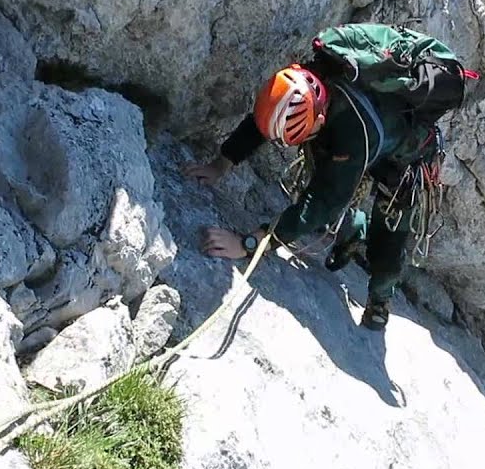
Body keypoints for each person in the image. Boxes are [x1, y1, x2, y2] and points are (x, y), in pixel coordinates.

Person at [184, 52, 442, 331]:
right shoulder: (301, 85)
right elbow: (266, 120)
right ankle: (354, 229)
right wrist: (221, 164)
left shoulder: (354, 133)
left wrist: (250, 245)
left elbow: (321, 203)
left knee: (388, 244)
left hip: (404, 160)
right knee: (329, 197)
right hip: (355, 134)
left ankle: (380, 300)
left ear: (319, 117)